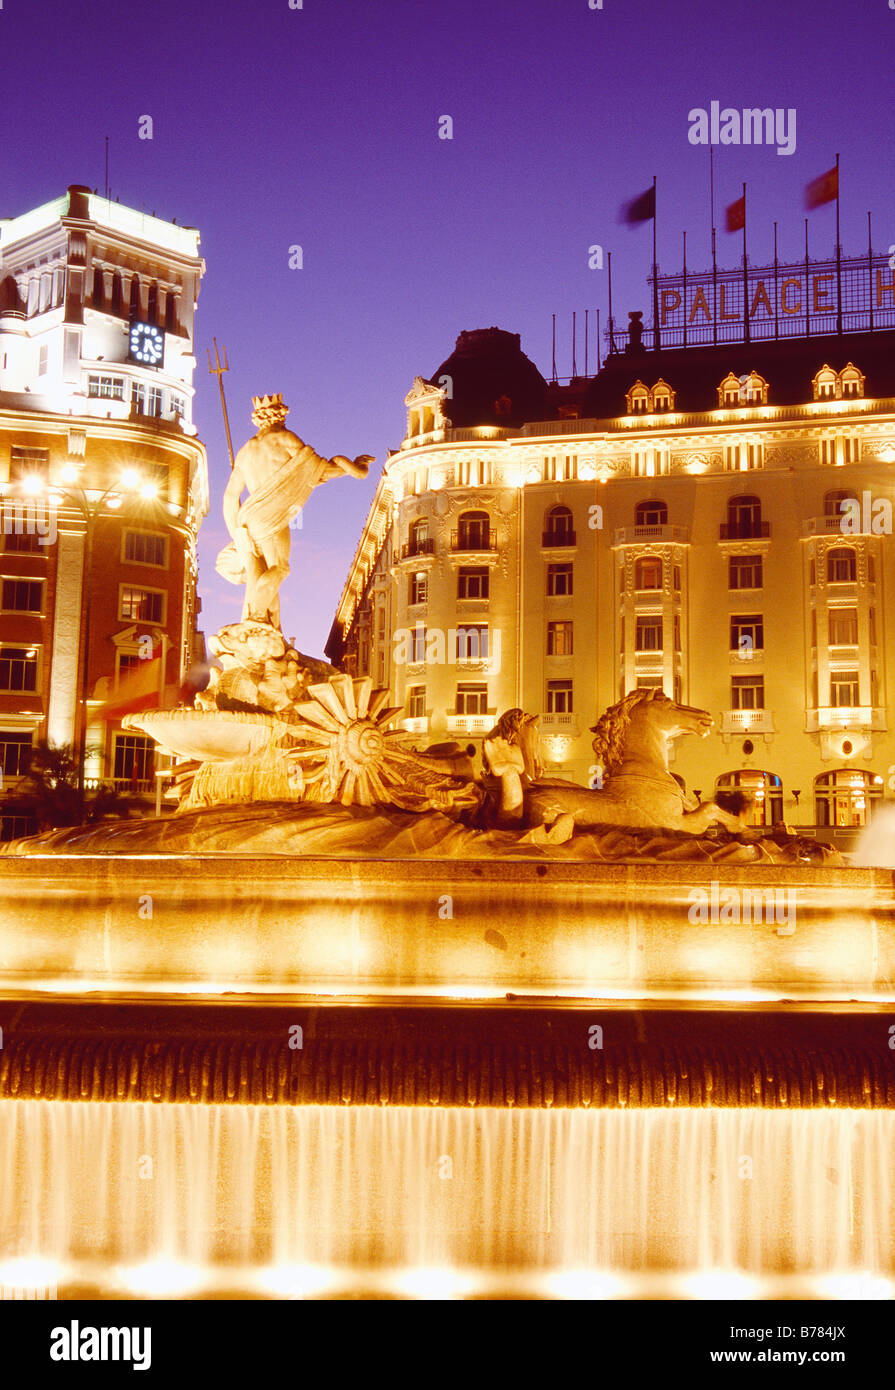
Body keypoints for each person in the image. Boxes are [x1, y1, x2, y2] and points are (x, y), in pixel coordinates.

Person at [216, 393, 373, 628]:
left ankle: (270, 626)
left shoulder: (245, 450)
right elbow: (318, 470)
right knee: (279, 568)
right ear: (280, 413)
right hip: (270, 517)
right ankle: (255, 620)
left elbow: (230, 496)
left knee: (257, 575)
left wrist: (236, 533)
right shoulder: (284, 437)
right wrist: (352, 466)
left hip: (246, 519)